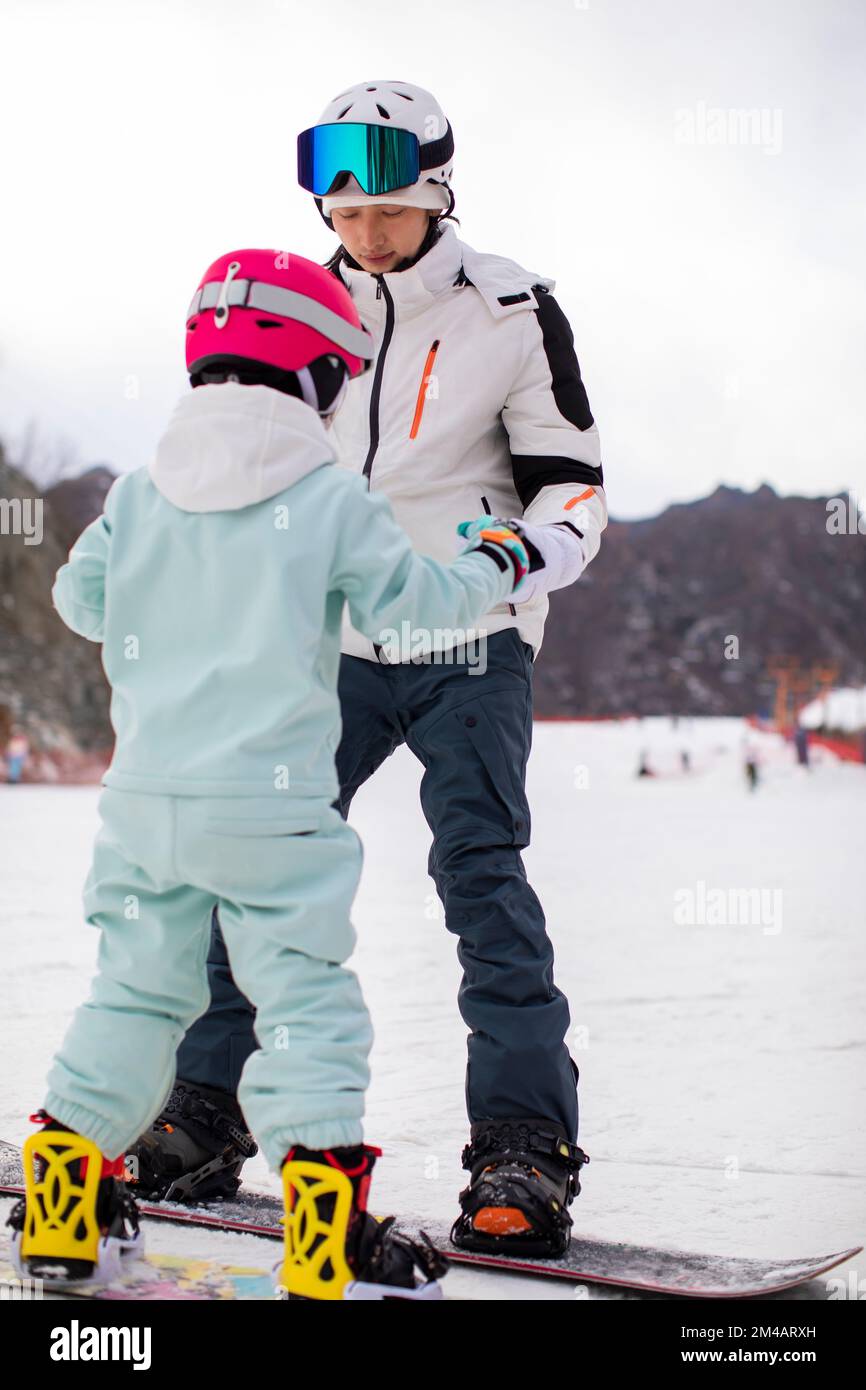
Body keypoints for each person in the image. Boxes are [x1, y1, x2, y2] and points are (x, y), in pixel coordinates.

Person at [132, 78, 607, 1258]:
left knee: (480, 880)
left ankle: (519, 1151)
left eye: (387, 213)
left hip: (466, 631)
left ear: (438, 192)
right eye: (344, 217)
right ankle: (203, 1109)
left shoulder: (510, 310)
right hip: (328, 638)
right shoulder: (297, 307)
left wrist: (520, 551)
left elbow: (573, 484)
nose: (363, 236)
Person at [7, 248, 533, 1300]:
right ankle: (325, 1222)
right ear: (314, 373)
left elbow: (80, 602)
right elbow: (409, 610)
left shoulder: (141, 492)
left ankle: (67, 1193)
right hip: (271, 813)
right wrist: (494, 560)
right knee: (301, 1000)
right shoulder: (329, 496)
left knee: (134, 992)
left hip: (146, 807)